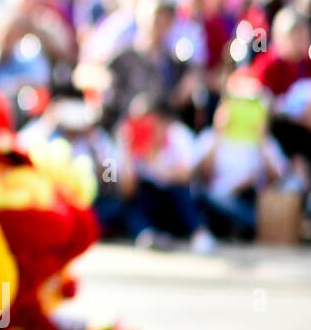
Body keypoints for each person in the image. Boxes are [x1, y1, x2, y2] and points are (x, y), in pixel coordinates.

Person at [117, 95, 214, 253]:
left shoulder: (180, 134)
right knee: (131, 203)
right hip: (148, 204)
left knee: (178, 190)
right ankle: (146, 234)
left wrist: (153, 160)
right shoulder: (126, 139)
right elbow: (126, 192)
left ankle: (199, 233)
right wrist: (129, 154)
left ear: (162, 121)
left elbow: (186, 175)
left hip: (175, 204)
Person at [195, 80, 288, 240]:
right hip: (219, 200)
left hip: (251, 199)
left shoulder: (267, 142)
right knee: (214, 200)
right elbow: (204, 176)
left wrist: (261, 141)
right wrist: (219, 132)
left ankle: (250, 226)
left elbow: (279, 179)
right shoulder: (209, 137)